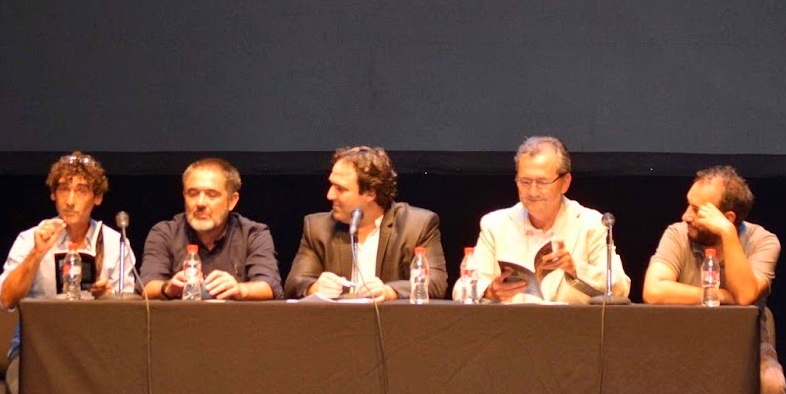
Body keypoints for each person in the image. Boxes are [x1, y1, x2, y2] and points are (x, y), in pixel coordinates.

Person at [642, 165, 786, 394]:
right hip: (680, 344)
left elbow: (748, 295)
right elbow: (654, 291)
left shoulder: (764, 242)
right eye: (688, 205)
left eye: (697, 210)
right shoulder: (677, 234)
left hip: (745, 347)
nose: (686, 215)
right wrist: (720, 296)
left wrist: (728, 237)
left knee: (772, 386)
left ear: (728, 217)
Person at [0, 151, 136, 394]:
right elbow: (7, 300)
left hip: (95, 351)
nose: (70, 200)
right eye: (63, 189)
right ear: (53, 195)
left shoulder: (115, 242)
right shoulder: (30, 239)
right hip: (35, 350)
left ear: (97, 198)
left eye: (81, 191)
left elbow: (131, 309)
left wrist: (107, 296)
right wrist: (36, 254)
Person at [454, 135, 629, 304]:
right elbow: (461, 289)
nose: (533, 192)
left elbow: (621, 288)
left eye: (542, 182)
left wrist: (575, 268)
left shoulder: (591, 223)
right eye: (525, 182)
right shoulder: (495, 224)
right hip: (511, 329)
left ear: (565, 182)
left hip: (573, 328)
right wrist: (491, 291)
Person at [284, 145, 447, 301]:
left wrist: (389, 291)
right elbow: (294, 283)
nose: (330, 195)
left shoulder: (416, 226)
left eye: (340, 189)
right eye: (331, 185)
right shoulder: (318, 228)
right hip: (335, 325)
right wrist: (315, 287)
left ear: (370, 193)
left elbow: (435, 283)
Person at [139, 157, 283, 301]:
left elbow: (270, 286)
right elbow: (146, 286)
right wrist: (168, 288)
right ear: (184, 196)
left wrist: (240, 290)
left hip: (236, 321)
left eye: (211, 195)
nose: (200, 203)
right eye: (193, 194)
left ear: (232, 201)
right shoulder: (165, 233)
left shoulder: (253, 234)